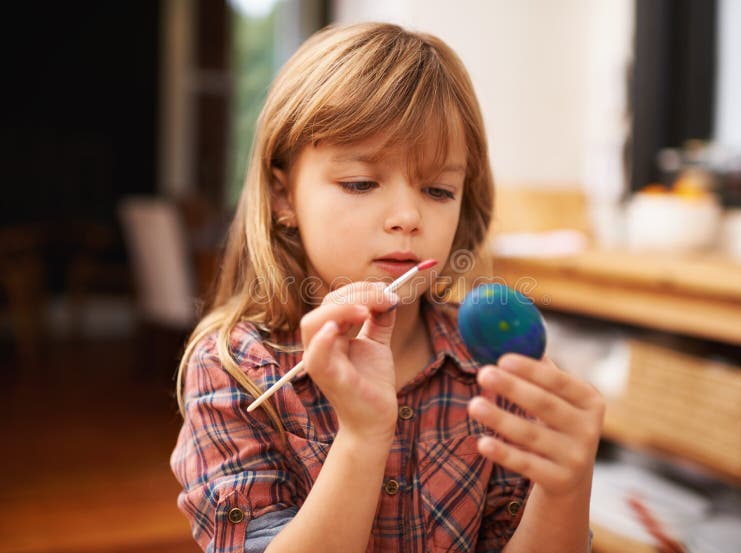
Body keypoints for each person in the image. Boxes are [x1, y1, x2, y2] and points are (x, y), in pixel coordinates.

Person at [170, 22, 604, 553]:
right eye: (360, 183)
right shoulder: (236, 368)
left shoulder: (494, 374)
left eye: (438, 189)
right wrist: (361, 436)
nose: (406, 216)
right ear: (283, 197)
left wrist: (566, 488)